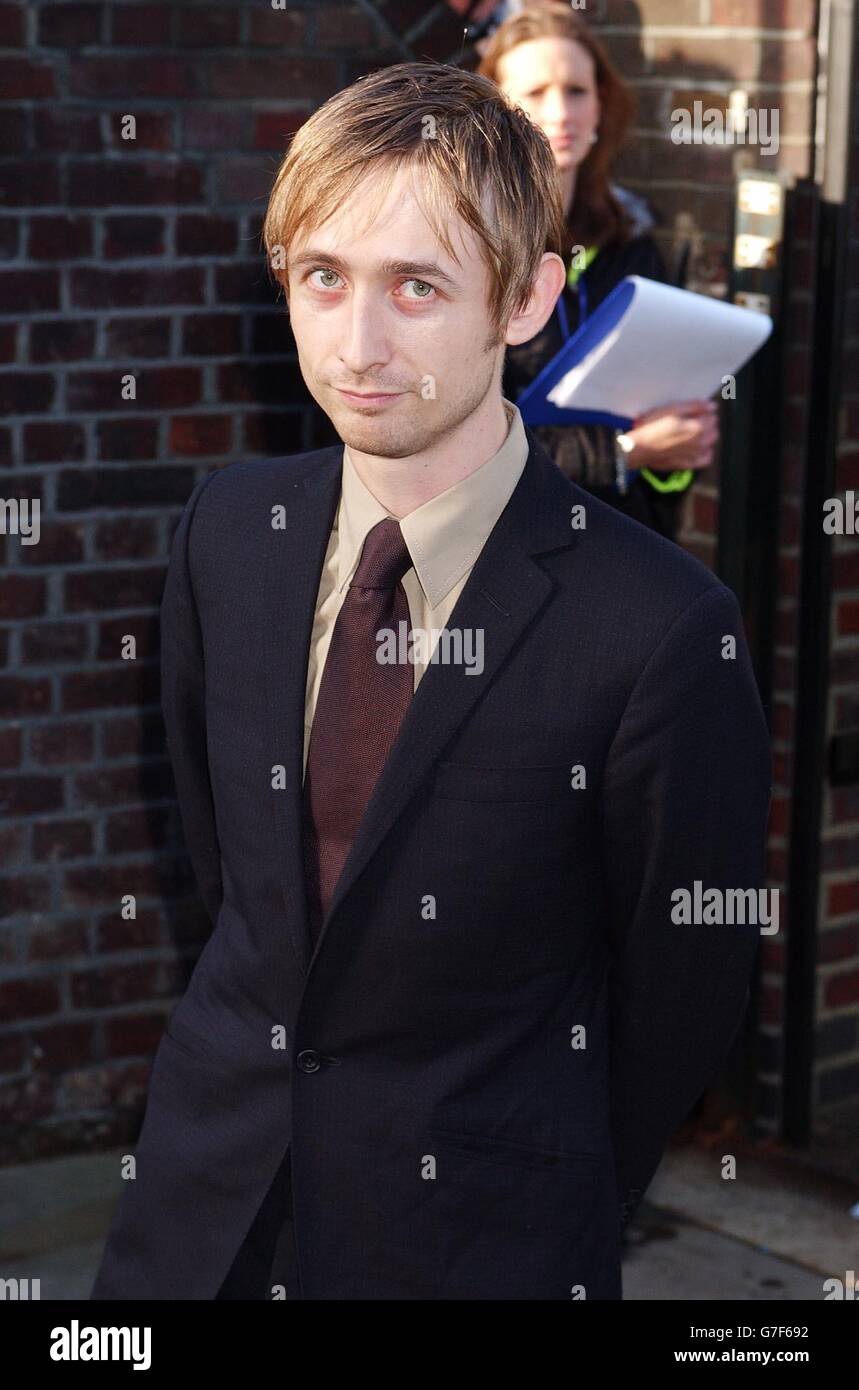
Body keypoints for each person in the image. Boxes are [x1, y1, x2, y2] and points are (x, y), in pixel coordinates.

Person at [90, 60, 772, 1302]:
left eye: (416, 285)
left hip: (479, 1242)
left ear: (523, 299)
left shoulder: (660, 630)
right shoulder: (227, 534)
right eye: (323, 278)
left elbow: (681, 987)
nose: (357, 344)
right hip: (198, 1220)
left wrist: (551, 1188)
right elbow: (229, 869)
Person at [478, 2, 718, 540]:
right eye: (537, 93)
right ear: (495, 105)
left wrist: (677, 451)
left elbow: (665, 445)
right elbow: (460, 440)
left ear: (601, 105)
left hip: (620, 547)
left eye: (577, 91)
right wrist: (623, 452)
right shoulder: (469, 247)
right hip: (499, 547)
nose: (561, 112)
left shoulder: (632, 241)